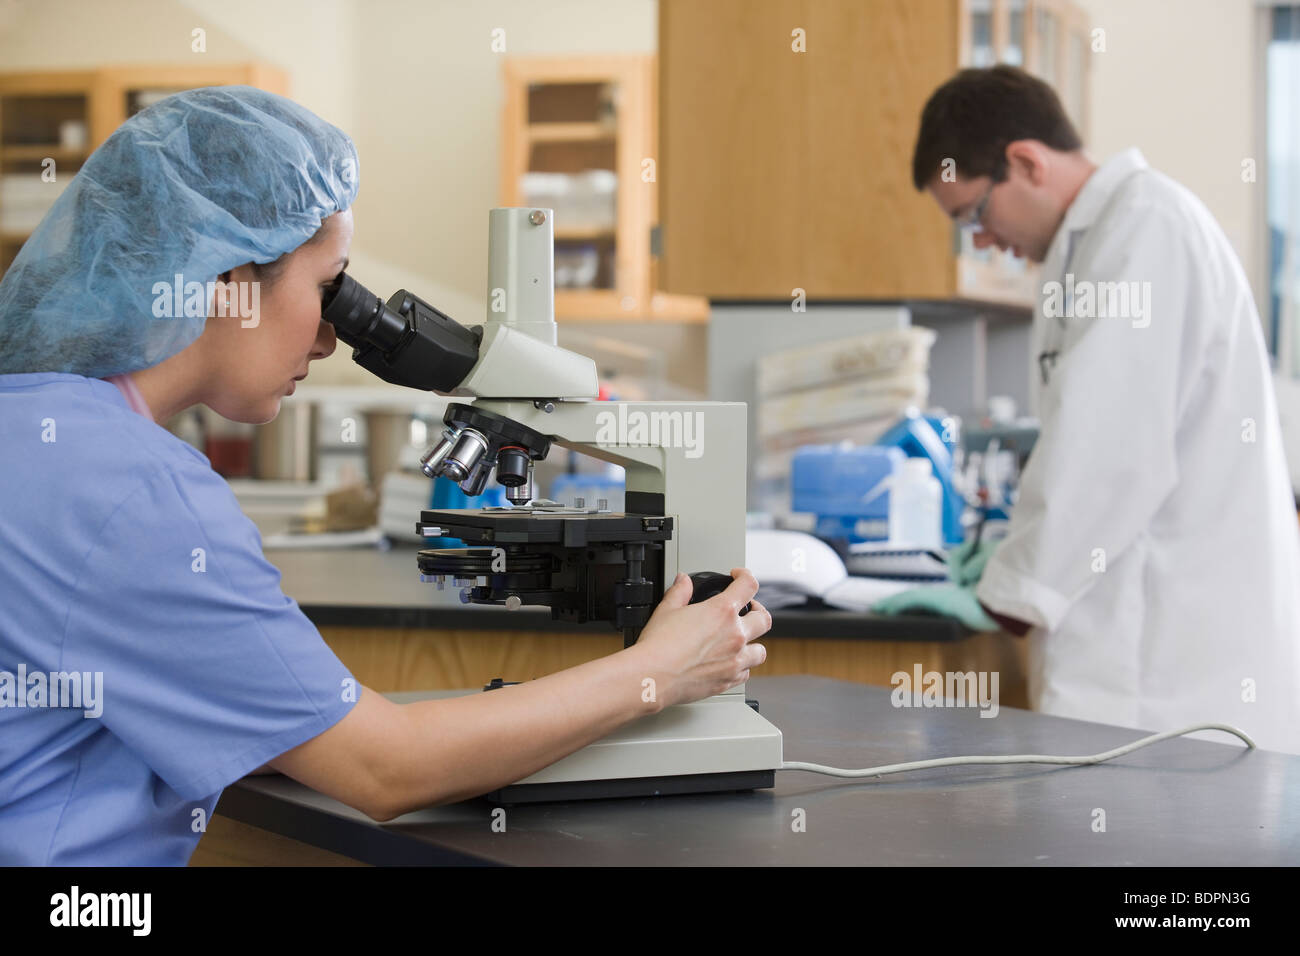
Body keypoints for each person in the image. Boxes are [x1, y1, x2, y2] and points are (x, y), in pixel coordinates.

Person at [0, 86, 771, 865]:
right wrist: (659, 671)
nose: (335, 337)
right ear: (230, 279)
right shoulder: (133, 491)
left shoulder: (39, 434)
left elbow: (230, 709)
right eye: (327, 288)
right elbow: (384, 768)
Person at [885, 65, 1300, 754]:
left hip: (1171, 665)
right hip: (1149, 647)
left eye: (974, 216)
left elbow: (1107, 450)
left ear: (1024, 162)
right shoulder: (1101, 242)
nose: (981, 242)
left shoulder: (1146, 228)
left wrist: (1005, 593)